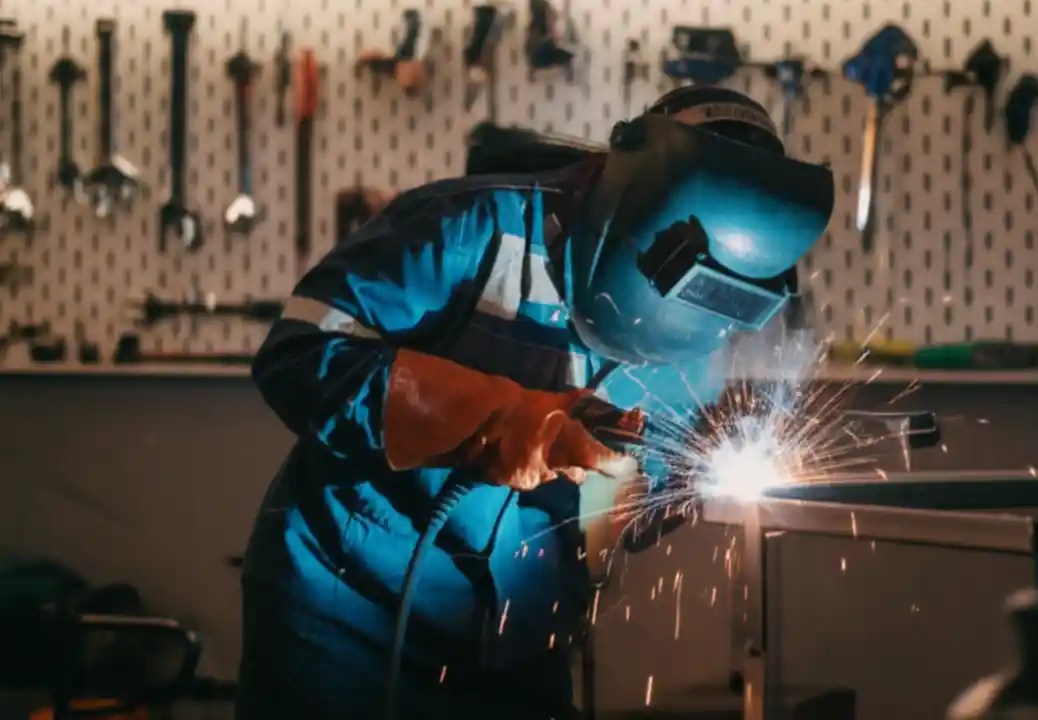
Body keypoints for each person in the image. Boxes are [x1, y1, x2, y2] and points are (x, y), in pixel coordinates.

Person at [236, 85, 834, 719]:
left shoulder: (709, 324)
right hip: (346, 620)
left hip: (517, 637)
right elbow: (299, 353)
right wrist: (495, 417)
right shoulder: (471, 226)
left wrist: (691, 470)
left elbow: (634, 498)